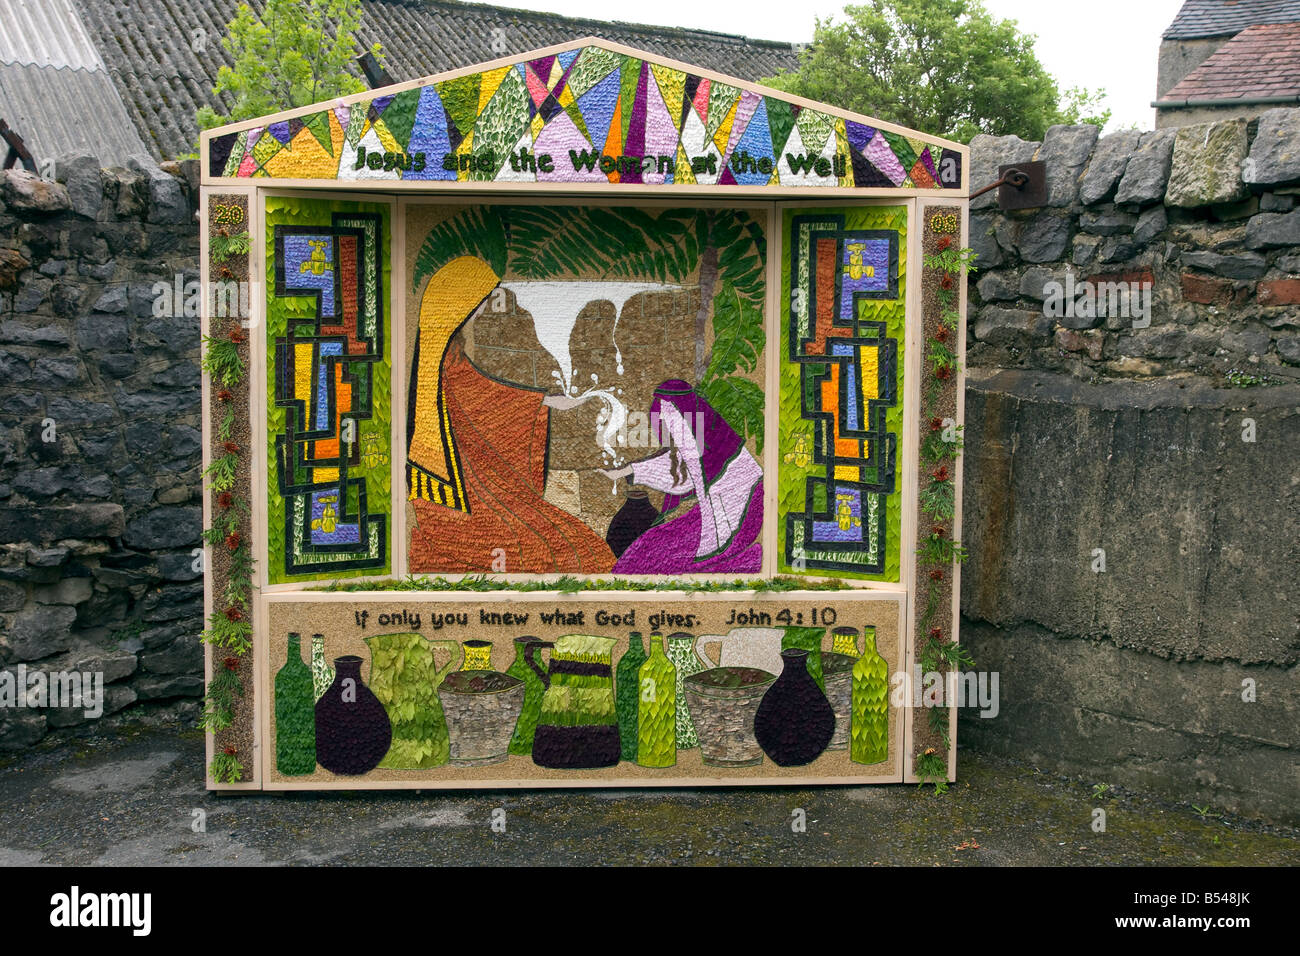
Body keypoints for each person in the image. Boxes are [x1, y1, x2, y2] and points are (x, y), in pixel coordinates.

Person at [406, 256, 615, 573]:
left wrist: (544, 402)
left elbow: (489, 398)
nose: (480, 311)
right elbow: (489, 399)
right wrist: (544, 403)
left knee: (575, 542)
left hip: (482, 485)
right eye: (477, 303)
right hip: (465, 497)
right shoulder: (442, 365)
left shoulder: (451, 356)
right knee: (558, 546)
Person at [600, 380, 763, 573]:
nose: (661, 418)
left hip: (738, 511)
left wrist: (710, 543)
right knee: (651, 546)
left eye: (666, 413)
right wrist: (623, 472)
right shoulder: (694, 439)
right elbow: (675, 468)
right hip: (711, 512)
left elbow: (725, 495)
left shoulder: (711, 441)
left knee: (667, 560)